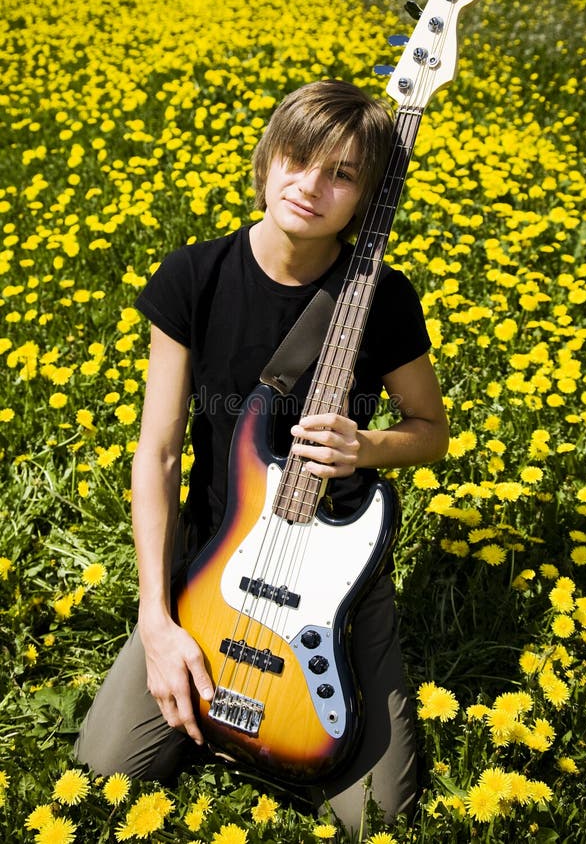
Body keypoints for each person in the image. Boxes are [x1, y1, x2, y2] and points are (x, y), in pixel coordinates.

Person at [75, 79, 449, 831]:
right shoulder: (195, 276)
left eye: (342, 175)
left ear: (369, 195)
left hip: (335, 577)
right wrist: (156, 621)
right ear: (267, 160)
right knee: (98, 777)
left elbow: (430, 428)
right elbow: (157, 452)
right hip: (216, 562)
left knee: (369, 819)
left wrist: (368, 445)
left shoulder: (386, 296)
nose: (312, 186)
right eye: (298, 158)